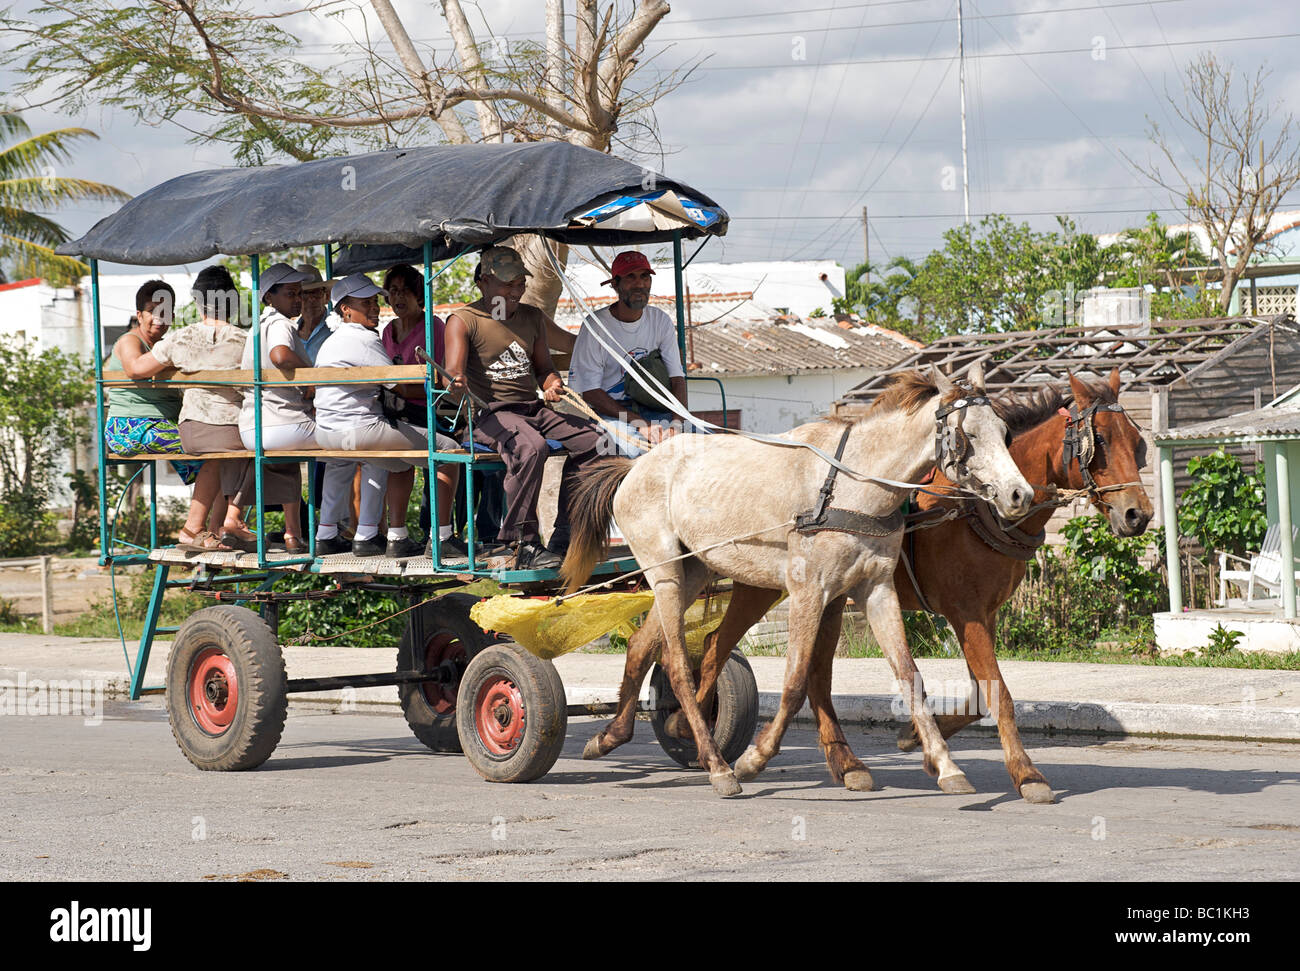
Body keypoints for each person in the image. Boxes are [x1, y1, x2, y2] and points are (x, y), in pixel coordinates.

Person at [443, 246, 605, 570]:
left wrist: (551, 383)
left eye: (520, 283)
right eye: (508, 284)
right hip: (489, 415)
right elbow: (452, 373)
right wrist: (455, 381)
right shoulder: (463, 321)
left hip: (531, 409)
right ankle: (520, 542)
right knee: (531, 449)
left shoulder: (531, 317)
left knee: (596, 441)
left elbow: (544, 367)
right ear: (484, 282)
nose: (516, 291)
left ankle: (565, 532)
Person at [313, 273, 465, 559]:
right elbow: (400, 387)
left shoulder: (331, 341)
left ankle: (386, 536)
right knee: (449, 450)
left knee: (400, 463)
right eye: (366, 303)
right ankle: (443, 537)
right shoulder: (364, 338)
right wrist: (446, 386)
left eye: (375, 302)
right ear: (345, 309)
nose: (375, 308)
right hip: (360, 429)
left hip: (328, 431)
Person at [120, 265, 269, 551]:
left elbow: (137, 369)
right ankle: (223, 523)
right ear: (234, 303)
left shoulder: (180, 338)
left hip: (190, 429)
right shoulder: (245, 340)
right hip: (232, 429)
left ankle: (214, 528)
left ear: (198, 303)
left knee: (226, 455)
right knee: (262, 450)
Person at [103, 280, 209, 545]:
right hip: (130, 427)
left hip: (164, 426)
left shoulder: (166, 344)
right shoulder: (131, 340)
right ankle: (194, 530)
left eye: (167, 311)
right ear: (140, 315)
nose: (160, 318)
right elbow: (136, 369)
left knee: (225, 456)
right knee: (213, 456)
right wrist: (175, 356)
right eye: (153, 310)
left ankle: (215, 529)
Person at [230, 261, 317, 552]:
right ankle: (339, 524)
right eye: (290, 294)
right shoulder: (280, 323)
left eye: (298, 294)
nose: (297, 300)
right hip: (282, 424)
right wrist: (310, 377)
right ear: (270, 297)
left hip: (253, 425)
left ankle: (290, 532)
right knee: (350, 446)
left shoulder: (257, 327)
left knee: (283, 463)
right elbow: (280, 356)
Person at [568, 250, 689, 457]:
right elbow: (590, 392)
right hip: (612, 414)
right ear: (615, 284)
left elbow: (677, 378)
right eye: (630, 277)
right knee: (637, 452)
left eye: (644, 277)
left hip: (656, 409)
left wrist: (677, 424)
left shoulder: (660, 320)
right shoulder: (595, 327)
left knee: (703, 444)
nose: (639, 284)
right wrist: (640, 423)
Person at [381, 263, 458, 546]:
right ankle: (395, 535)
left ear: (418, 296)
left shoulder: (433, 327)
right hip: (397, 412)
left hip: (432, 409)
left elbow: (442, 377)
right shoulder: (388, 331)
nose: (399, 297)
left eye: (405, 291)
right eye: (393, 291)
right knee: (396, 464)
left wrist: (401, 385)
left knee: (444, 459)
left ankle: (439, 533)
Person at [294, 263, 337, 364]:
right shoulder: (291, 331)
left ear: (326, 297)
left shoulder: (337, 328)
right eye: (305, 293)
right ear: (297, 299)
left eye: (316, 292)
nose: (312, 299)